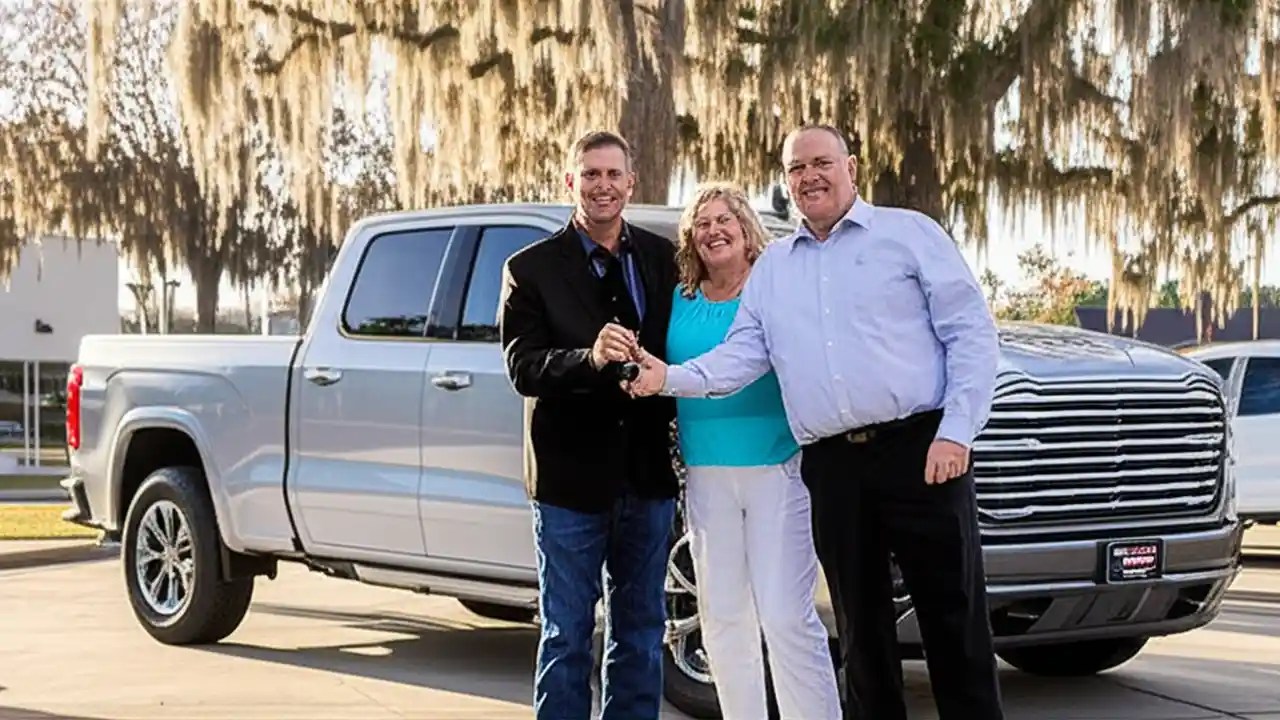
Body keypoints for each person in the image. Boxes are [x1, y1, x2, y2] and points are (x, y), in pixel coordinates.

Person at [627, 124, 1005, 720]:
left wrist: (957, 431)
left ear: (850, 167)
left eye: (821, 163)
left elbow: (971, 333)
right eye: (796, 169)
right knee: (861, 633)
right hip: (833, 467)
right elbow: (740, 356)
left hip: (920, 451)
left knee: (952, 623)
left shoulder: (908, 234)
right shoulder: (776, 267)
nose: (810, 177)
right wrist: (666, 378)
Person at [498, 129, 680, 720]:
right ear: (569, 182)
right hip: (569, 485)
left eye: (613, 174)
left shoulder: (663, 259)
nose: (603, 185)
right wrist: (591, 358)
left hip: (647, 479)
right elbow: (523, 368)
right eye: (591, 174)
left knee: (641, 634)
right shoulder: (529, 269)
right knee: (567, 635)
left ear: (631, 182)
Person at [666, 181, 842, 720]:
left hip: (777, 468)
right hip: (706, 474)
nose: (714, 231)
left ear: (747, 230)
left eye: (725, 220)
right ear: (691, 239)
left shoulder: (772, 289)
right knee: (723, 617)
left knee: (786, 617)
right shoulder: (679, 299)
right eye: (702, 224)